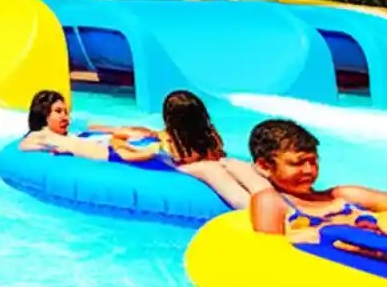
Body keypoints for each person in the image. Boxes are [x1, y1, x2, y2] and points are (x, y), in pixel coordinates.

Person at [91, 90, 271, 208]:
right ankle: (264, 201)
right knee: (226, 165)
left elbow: (129, 156)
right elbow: (219, 155)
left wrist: (116, 143)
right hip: (210, 164)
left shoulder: (169, 142)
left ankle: (251, 206)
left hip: (192, 168)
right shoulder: (210, 135)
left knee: (219, 169)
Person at [248, 118, 387, 248]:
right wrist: (331, 227)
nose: (309, 170)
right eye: (298, 163)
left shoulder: (343, 196)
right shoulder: (271, 201)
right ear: (264, 166)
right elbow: (271, 250)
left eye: (313, 161)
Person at [17, 89, 160, 164]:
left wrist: (119, 130)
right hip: (113, 155)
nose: (65, 116)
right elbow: (24, 145)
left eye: (66, 112)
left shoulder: (72, 131)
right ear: (44, 114)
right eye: (58, 112)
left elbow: (97, 128)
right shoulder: (42, 134)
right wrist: (51, 148)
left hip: (111, 148)